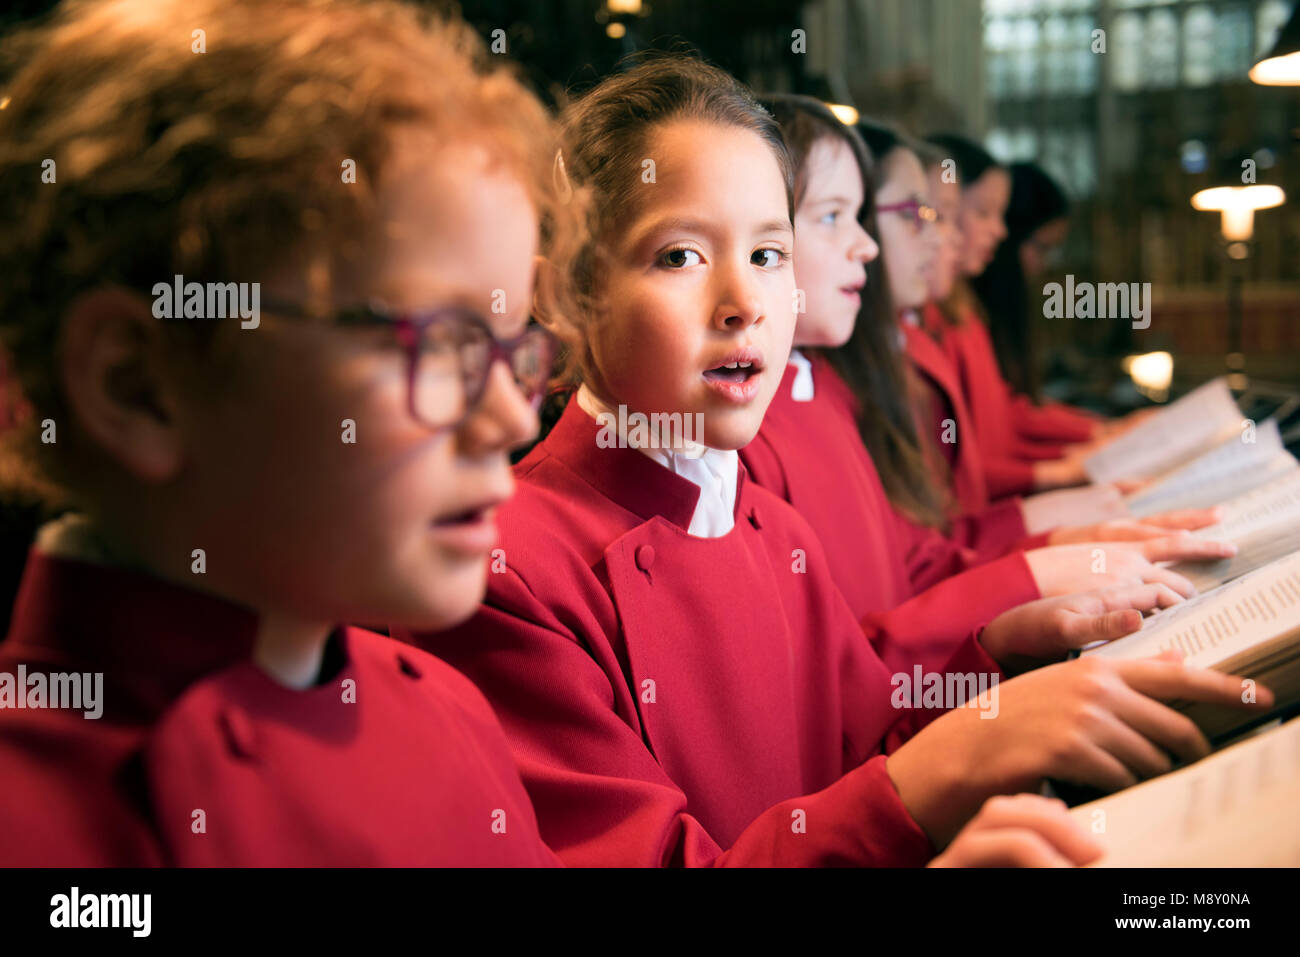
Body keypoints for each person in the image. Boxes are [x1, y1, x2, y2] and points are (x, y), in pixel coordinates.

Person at [402, 58, 1270, 867]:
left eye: (768, 255)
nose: (743, 302)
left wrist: (1002, 647)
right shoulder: (505, 568)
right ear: (565, 295)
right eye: (680, 256)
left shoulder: (770, 524)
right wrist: (937, 775)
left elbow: (863, 736)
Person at [0, 0, 578, 866]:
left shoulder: (449, 715)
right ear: (139, 384)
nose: (508, 416)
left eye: (508, 348)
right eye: (433, 341)